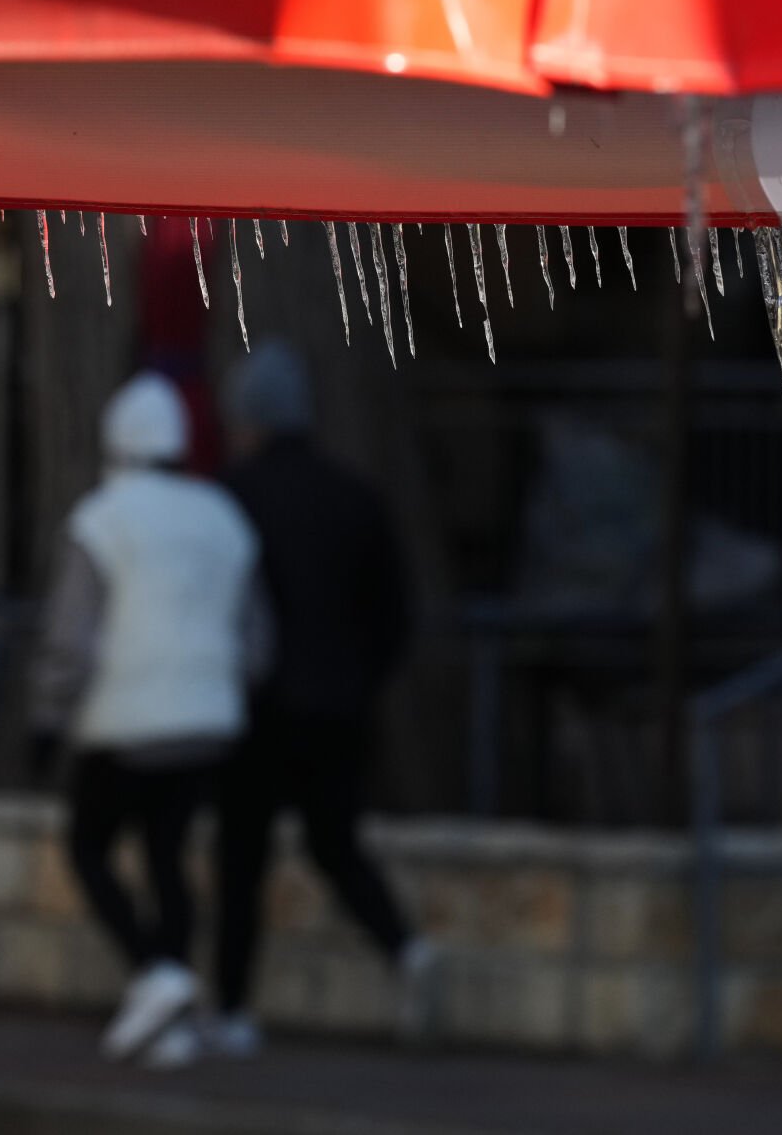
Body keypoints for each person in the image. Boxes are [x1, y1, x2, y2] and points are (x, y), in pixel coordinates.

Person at [31, 371, 270, 1069]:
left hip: (125, 722)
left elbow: (70, 636)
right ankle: (170, 1015)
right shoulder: (222, 514)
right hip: (208, 725)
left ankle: (155, 972)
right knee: (168, 856)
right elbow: (256, 636)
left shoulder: (102, 519)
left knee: (89, 844)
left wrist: (47, 718)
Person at [211, 341, 437, 1057]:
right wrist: (361, 678)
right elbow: (395, 614)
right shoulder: (357, 497)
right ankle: (405, 949)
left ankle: (234, 1009)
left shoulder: (233, 496)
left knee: (240, 859)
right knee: (334, 843)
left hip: (260, 709)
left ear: (248, 418)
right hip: (341, 705)